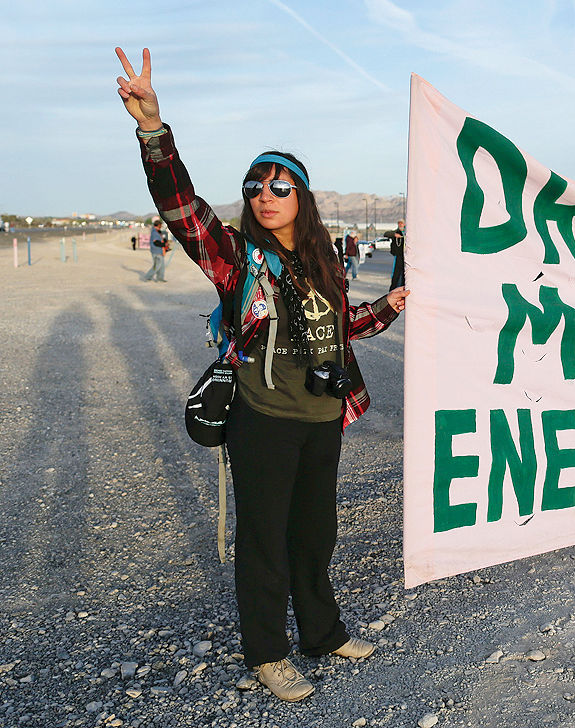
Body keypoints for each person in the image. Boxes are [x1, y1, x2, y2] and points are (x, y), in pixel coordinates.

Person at [116, 47, 410, 703]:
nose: (265, 195)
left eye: (281, 186)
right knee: (264, 539)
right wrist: (153, 131)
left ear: (301, 198)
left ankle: (322, 632)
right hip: (264, 419)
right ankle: (267, 652)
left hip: (323, 417)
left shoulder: (325, 262)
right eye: (255, 186)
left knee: (316, 534)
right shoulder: (234, 258)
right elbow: (179, 206)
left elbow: (336, 329)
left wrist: (383, 310)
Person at [141, 217, 169, 282]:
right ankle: (147, 277)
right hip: (156, 252)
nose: (161, 227)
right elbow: (156, 242)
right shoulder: (154, 233)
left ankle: (160, 278)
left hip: (160, 252)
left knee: (162, 266)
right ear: (158, 225)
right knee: (156, 266)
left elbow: (162, 239)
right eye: (160, 226)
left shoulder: (158, 232)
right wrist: (164, 244)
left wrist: (165, 242)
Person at [386, 219, 406, 290]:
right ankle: (393, 289)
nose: (400, 225)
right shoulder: (396, 232)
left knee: (405, 274)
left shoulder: (407, 233)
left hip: (406, 256)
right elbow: (386, 234)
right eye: (399, 223)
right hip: (398, 256)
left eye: (402, 223)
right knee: (396, 273)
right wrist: (394, 235)